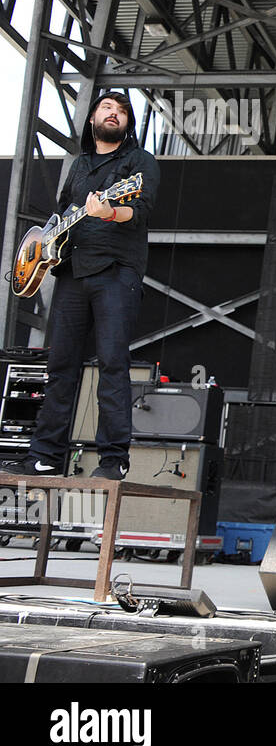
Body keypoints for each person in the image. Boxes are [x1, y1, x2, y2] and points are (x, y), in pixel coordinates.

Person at [6, 93, 159, 481]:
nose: (115, 114)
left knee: (111, 363)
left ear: (128, 124)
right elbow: (58, 215)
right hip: (72, 273)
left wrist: (110, 211)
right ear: (92, 118)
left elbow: (138, 212)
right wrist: (41, 246)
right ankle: (45, 456)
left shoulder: (139, 164)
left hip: (115, 272)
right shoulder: (79, 166)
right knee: (60, 366)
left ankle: (112, 460)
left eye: (122, 111)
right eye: (107, 108)